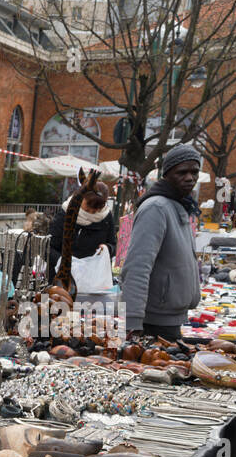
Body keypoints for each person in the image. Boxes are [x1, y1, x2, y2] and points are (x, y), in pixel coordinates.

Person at [119, 144, 202, 342]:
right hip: (153, 322)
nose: (190, 177)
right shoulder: (156, 208)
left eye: (194, 172)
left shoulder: (179, 204)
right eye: (182, 172)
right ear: (167, 174)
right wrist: (133, 322)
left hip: (170, 319)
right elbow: (137, 267)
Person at [48, 179, 118, 275]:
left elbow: (113, 244)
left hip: (94, 278)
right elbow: (48, 248)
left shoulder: (106, 216)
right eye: (88, 207)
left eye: (96, 210)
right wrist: (64, 263)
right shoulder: (66, 213)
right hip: (64, 277)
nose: (90, 212)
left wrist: (107, 248)